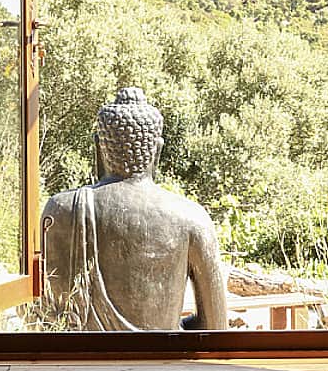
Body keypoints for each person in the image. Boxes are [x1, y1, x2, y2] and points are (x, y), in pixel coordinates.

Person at [41, 88, 228, 331]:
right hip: (164, 354)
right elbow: (215, 326)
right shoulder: (191, 217)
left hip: (81, 355)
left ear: (98, 149)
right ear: (157, 151)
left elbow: (47, 318)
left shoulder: (62, 209)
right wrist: (170, 329)